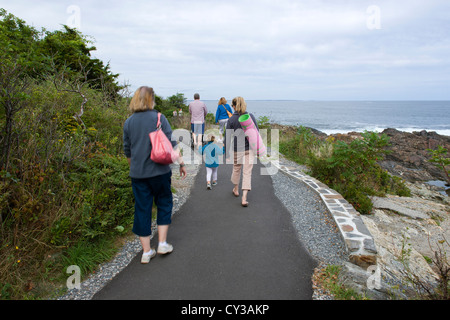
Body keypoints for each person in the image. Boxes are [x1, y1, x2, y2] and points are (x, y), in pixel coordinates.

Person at [123, 86, 187, 264]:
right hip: (159, 171)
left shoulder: (128, 122)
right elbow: (172, 144)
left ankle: (145, 252)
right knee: (164, 202)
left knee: (142, 208)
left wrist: (135, 168)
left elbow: (127, 151)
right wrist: (181, 163)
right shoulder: (159, 117)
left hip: (138, 174)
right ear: (151, 99)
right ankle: (162, 243)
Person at [224, 97, 258, 207]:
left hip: (237, 149)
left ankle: (235, 189)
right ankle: (244, 198)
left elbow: (227, 137)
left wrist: (227, 153)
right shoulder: (250, 117)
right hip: (249, 149)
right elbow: (256, 132)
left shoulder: (231, 120)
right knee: (247, 172)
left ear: (233, 106)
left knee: (236, 169)